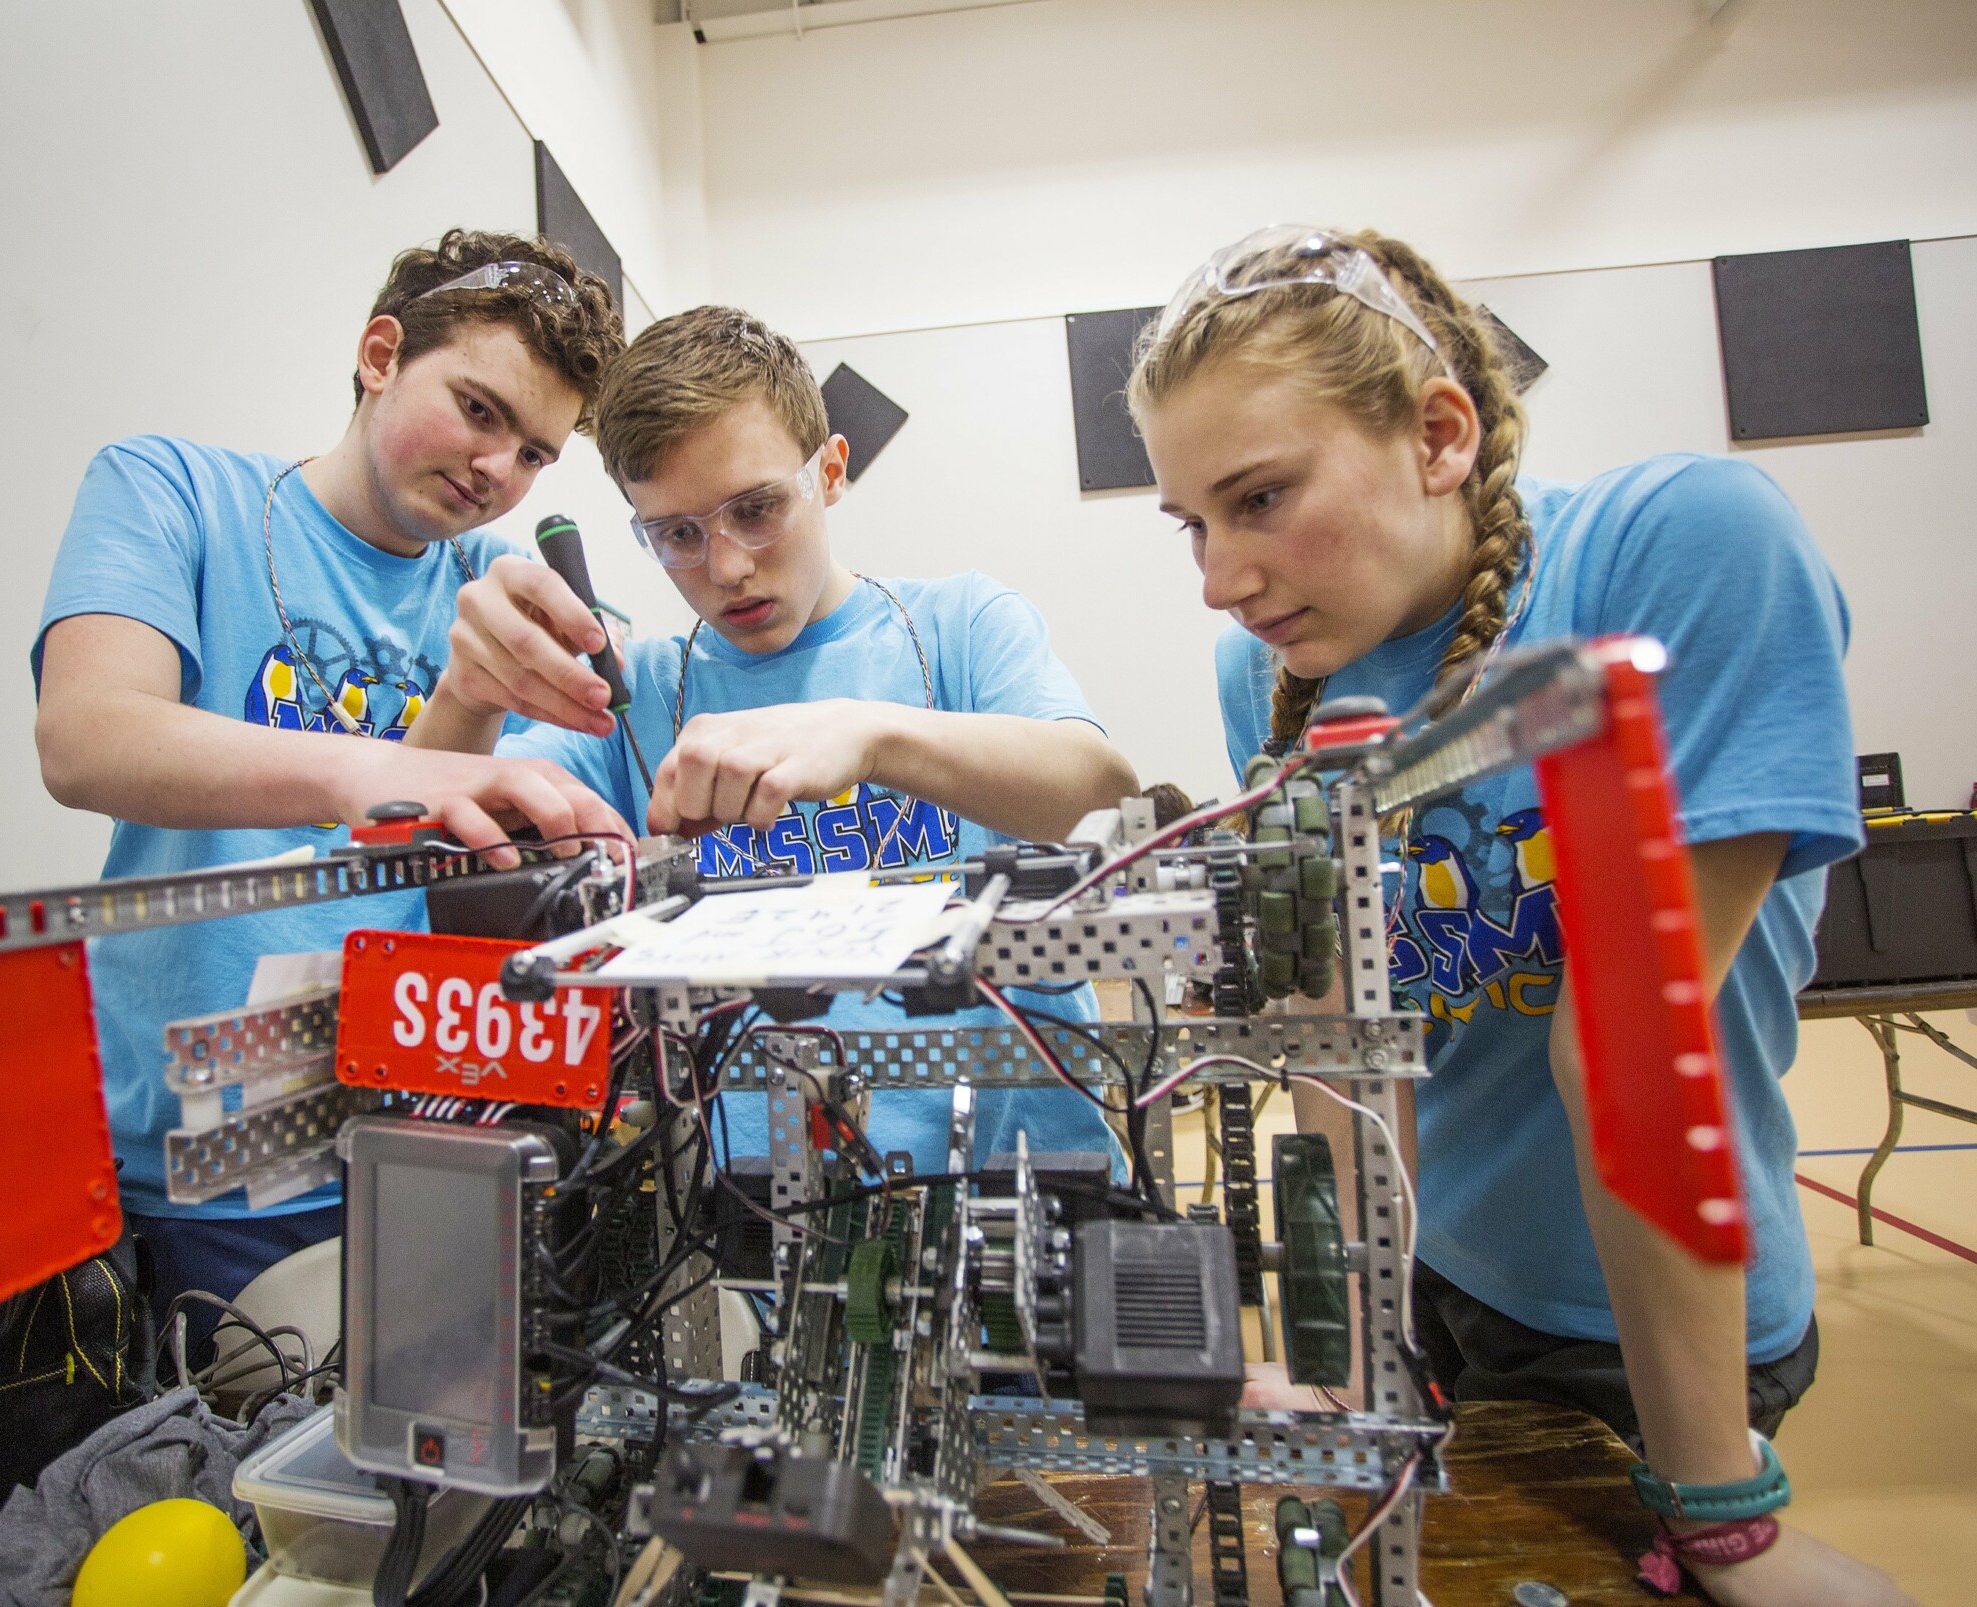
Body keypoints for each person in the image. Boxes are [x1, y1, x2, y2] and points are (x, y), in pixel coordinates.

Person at [1129, 225, 1912, 1605]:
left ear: (1440, 432)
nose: (1217, 575)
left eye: (1258, 498)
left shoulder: (1686, 546)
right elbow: (1340, 1062)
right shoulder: (1270, 674)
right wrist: (1350, 1368)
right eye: (1192, 521)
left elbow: (1624, 1040)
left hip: (1651, 1332)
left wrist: (1720, 1505)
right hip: (1441, 1280)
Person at [32, 230, 632, 1316]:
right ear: (378, 352)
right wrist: (367, 771)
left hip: (432, 1146)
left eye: (536, 451)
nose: (499, 467)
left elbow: (451, 841)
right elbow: (88, 737)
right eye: (480, 409)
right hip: (208, 1171)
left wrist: (484, 699)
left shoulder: (499, 589)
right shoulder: (173, 490)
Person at [406, 304, 1138, 1169]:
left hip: (1014, 1187)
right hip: (748, 1222)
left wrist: (869, 734)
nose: (726, 567)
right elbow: (418, 850)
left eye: (756, 509)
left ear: (830, 471)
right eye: (677, 534)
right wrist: (468, 694)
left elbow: (1103, 795)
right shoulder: (630, 695)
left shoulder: (961, 628)